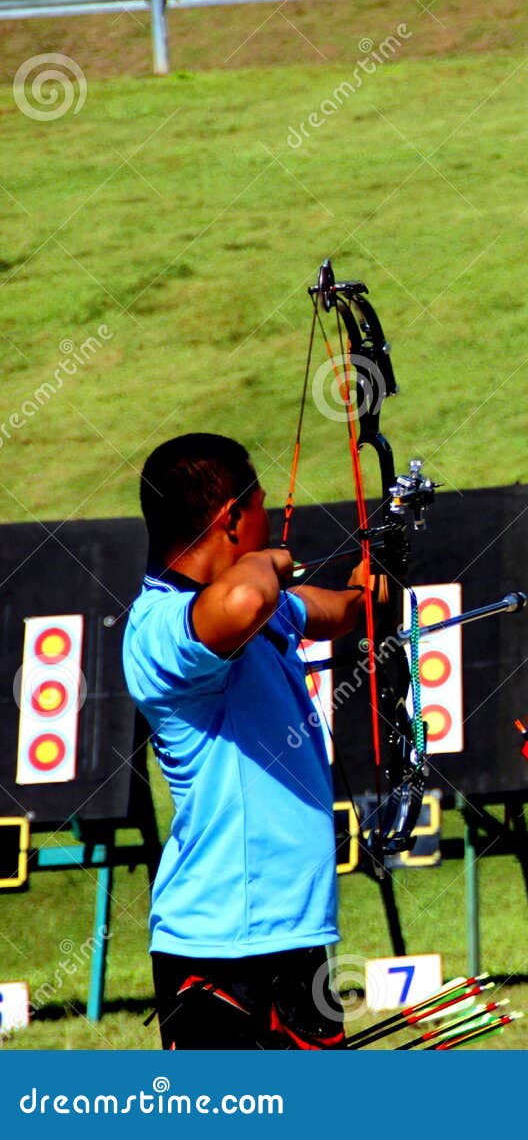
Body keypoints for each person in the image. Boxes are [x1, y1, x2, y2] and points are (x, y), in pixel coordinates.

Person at [123, 433, 372, 1049]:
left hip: (292, 934)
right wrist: (271, 561)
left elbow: (336, 612)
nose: (270, 524)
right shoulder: (159, 627)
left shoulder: (266, 610)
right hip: (219, 946)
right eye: (260, 506)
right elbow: (245, 598)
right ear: (232, 517)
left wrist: (375, 589)